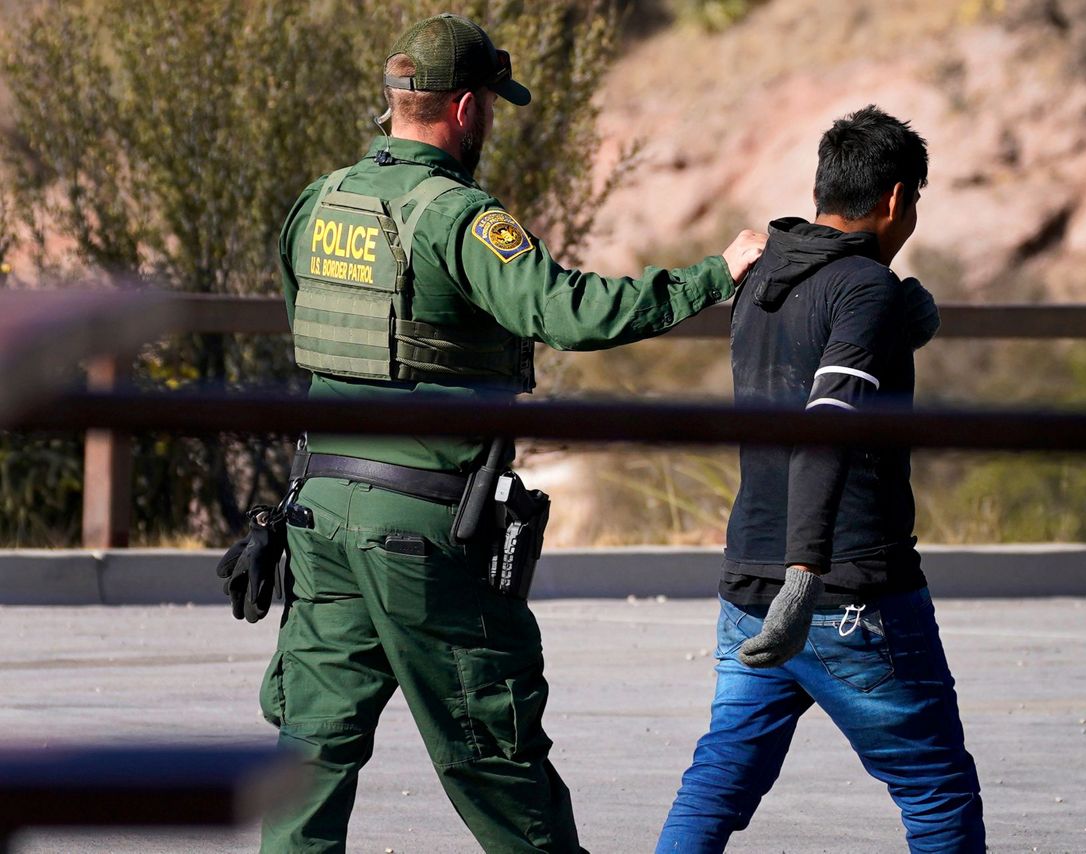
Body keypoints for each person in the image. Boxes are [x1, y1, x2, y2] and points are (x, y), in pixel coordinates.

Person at [257, 13, 765, 853]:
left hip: (319, 515)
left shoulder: (319, 202)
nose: (488, 119)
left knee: (311, 750)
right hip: (420, 531)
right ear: (463, 109)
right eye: (489, 103)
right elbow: (566, 311)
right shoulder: (460, 217)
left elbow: (303, 325)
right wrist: (714, 275)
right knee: (492, 749)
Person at [656, 106, 984, 852]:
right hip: (844, 591)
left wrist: (897, 322)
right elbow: (828, 418)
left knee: (717, 783)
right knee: (937, 793)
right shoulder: (864, 286)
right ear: (897, 200)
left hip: (749, 585)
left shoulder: (763, 278)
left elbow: (807, 361)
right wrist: (806, 574)